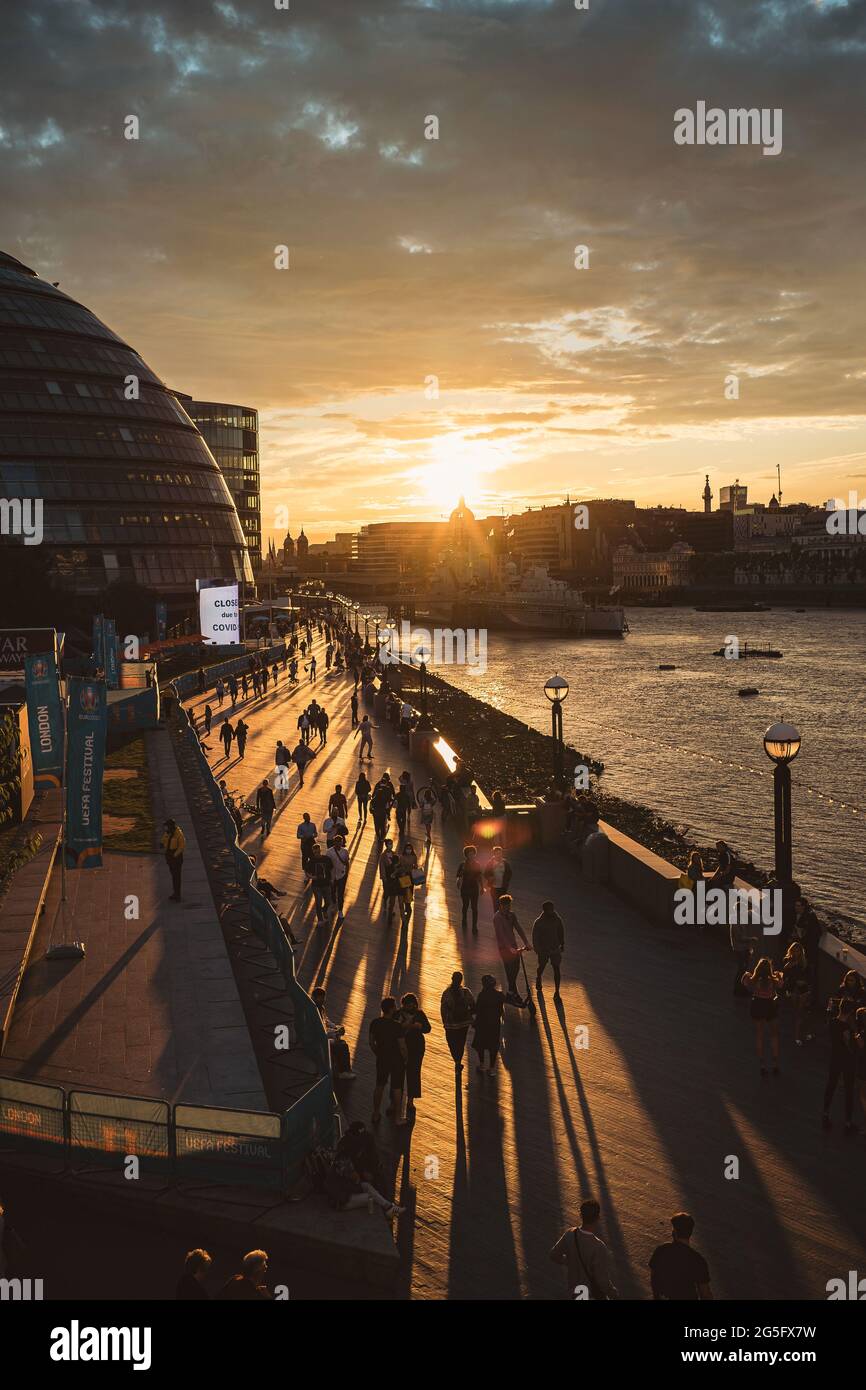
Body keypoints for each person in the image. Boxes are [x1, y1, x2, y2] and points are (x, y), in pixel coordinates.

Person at [328, 1124, 404, 1219]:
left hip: (344, 1192)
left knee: (367, 1187)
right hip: (341, 1201)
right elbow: (356, 1179)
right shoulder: (345, 1163)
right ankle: (388, 1208)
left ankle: (389, 1207)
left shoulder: (341, 1155)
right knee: (372, 1197)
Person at [550, 1198, 619, 1301]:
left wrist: (569, 1261)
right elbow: (602, 1279)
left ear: (581, 1215)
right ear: (598, 1218)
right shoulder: (599, 1247)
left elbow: (554, 1255)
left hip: (574, 1292)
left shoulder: (570, 1234)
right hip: (590, 1294)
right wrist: (613, 1293)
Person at [649, 1213, 713, 1301]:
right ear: (690, 1232)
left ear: (674, 1232)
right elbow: (705, 1294)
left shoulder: (662, 1250)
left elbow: (654, 1277)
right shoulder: (697, 1260)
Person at [741, 956, 784, 1077]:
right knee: (774, 1035)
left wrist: (747, 974)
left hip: (758, 1005)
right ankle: (775, 1064)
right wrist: (779, 975)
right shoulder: (773, 980)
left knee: (759, 1035)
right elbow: (781, 984)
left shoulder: (755, 980)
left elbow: (744, 982)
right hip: (770, 1005)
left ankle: (762, 1065)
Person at [822, 996, 859, 1134]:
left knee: (831, 1085)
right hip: (848, 1061)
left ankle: (825, 1113)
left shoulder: (832, 1023)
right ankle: (848, 1122)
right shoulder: (848, 1028)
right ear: (850, 1012)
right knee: (849, 1090)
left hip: (835, 1058)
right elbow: (852, 1046)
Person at [393, 993, 431, 1125]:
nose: (411, 1006)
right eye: (408, 1004)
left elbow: (428, 1028)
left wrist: (419, 1027)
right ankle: (396, 1102)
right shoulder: (398, 1014)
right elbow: (395, 1028)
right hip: (401, 1048)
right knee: (399, 1075)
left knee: (413, 1074)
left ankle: (410, 1100)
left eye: (412, 1004)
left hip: (416, 1049)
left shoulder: (419, 1014)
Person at [369, 996, 405, 1124]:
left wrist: (378, 1053)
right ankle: (397, 1118)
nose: (396, 1008)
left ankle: (375, 1113)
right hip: (396, 1060)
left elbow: (371, 1042)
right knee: (396, 1087)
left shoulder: (375, 1023)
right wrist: (405, 1059)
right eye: (394, 1006)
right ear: (391, 1009)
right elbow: (402, 1046)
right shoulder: (397, 1026)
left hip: (382, 1058)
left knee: (379, 1086)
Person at [493, 894, 531, 1001]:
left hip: (514, 946)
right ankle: (513, 993)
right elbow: (501, 935)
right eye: (506, 906)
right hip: (504, 948)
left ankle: (511, 992)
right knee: (510, 970)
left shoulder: (511, 915)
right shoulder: (497, 918)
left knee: (516, 969)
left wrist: (526, 942)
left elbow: (518, 928)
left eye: (509, 905)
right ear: (501, 905)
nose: (508, 908)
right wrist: (509, 948)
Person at [312, 986, 355, 1079]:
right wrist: (335, 1033)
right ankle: (342, 1071)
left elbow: (326, 1021)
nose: (323, 1000)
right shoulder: (314, 1012)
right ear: (314, 998)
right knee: (342, 1046)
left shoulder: (320, 1008)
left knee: (341, 1044)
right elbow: (320, 1031)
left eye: (324, 997)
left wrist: (336, 1027)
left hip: (323, 1036)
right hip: (319, 1040)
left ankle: (344, 1069)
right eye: (321, 998)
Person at [440, 971, 475, 1071]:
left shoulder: (446, 993)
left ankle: (457, 1060)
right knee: (461, 1042)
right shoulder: (466, 991)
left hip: (450, 1024)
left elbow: (443, 1009)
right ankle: (458, 1061)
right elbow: (473, 1005)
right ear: (461, 980)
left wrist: (445, 1022)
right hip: (464, 1023)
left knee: (452, 1043)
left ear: (452, 979)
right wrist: (468, 1015)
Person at [793, 897, 823, 1009]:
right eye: (796, 905)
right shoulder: (803, 915)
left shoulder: (809, 917)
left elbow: (814, 934)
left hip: (809, 953)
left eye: (799, 906)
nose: (796, 908)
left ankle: (810, 1000)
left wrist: (800, 935)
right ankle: (805, 998)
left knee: (810, 976)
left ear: (804, 907)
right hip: (803, 952)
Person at [472, 974, 506, 1073]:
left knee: (480, 1045)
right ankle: (492, 1068)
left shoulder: (482, 995)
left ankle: (482, 1064)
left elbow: (477, 1010)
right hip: (494, 1025)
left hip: (482, 1025)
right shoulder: (499, 995)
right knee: (493, 1046)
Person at [781, 941, 813, 1046]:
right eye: (794, 951)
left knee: (801, 1011)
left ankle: (800, 1035)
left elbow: (808, 976)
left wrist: (804, 982)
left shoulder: (804, 962)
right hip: (792, 989)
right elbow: (784, 975)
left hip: (803, 989)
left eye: (798, 951)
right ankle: (802, 1034)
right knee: (797, 1012)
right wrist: (788, 966)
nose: (796, 953)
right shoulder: (787, 960)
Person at [532, 900, 565, 999]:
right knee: (541, 966)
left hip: (555, 949)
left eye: (552, 909)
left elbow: (561, 931)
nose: (552, 911)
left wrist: (562, 944)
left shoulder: (557, 920)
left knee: (556, 969)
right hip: (543, 950)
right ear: (545, 911)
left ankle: (557, 992)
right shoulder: (539, 922)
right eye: (550, 910)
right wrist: (537, 949)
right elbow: (535, 937)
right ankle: (539, 977)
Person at [456, 844, 483, 934]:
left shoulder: (477, 865)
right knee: (465, 906)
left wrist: (482, 887)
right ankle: (464, 919)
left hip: (474, 888)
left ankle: (474, 926)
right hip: (465, 888)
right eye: (469, 854)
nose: (471, 855)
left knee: (474, 908)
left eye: (472, 853)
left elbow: (479, 876)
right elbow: (459, 875)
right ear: (466, 855)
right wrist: (458, 881)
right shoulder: (462, 865)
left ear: (474, 854)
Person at [730, 916, 757, 998]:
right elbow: (740, 937)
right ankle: (738, 989)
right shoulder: (735, 922)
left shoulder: (740, 920)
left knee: (743, 969)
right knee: (741, 969)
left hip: (743, 948)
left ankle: (741, 988)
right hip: (739, 949)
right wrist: (751, 939)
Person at [326, 835, 350, 924]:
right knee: (332, 891)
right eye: (337, 842)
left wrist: (346, 874)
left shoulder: (345, 852)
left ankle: (340, 910)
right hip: (332, 876)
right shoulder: (329, 852)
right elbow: (327, 864)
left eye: (340, 842)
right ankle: (333, 903)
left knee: (340, 894)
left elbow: (347, 863)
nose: (339, 844)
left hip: (341, 875)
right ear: (334, 842)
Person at [160, 818, 185, 901]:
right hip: (169, 856)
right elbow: (164, 839)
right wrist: (162, 843)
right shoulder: (168, 833)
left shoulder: (179, 834)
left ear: (171, 826)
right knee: (173, 876)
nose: (165, 828)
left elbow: (181, 846)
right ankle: (175, 893)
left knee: (177, 876)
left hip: (176, 857)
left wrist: (174, 855)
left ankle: (178, 895)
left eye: (167, 826)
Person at [309, 843, 333, 923]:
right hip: (316, 885)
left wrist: (332, 879)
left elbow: (331, 869)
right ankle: (320, 919)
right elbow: (306, 871)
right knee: (318, 902)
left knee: (328, 901)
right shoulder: (311, 861)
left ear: (320, 850)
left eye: (318, 852)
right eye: (315, 852)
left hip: (326, 884)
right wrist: (312, 877)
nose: (317, 854)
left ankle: (324, 910)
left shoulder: (326, 859)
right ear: (313, 852)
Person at [483, 845, 512, 911]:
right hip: (494, 888)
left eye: (500, 853)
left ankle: (503, 919)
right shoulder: (490, 863)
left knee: (503, 905)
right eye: (497, 853)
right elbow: (485, 873)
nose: (499, 855)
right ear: (494, 854)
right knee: (496, 905)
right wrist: (490, 878)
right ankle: (497, 919)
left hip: (503, 887)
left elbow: (509, 873)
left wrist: (506, 881)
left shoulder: (505, 863)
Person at [297, 812, 318, 878]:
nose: (308, 818)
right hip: (305, 843)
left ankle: (311, 871)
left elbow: (316, 833)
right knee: (305, 858)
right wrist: (303, 836)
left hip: (311, 842)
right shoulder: (301, 826)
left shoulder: (313, 825)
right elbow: (298, 835)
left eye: (308, 817)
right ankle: (306, 873)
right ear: (304, 818)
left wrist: (313, 835)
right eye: (306, 817)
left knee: (312, 857)